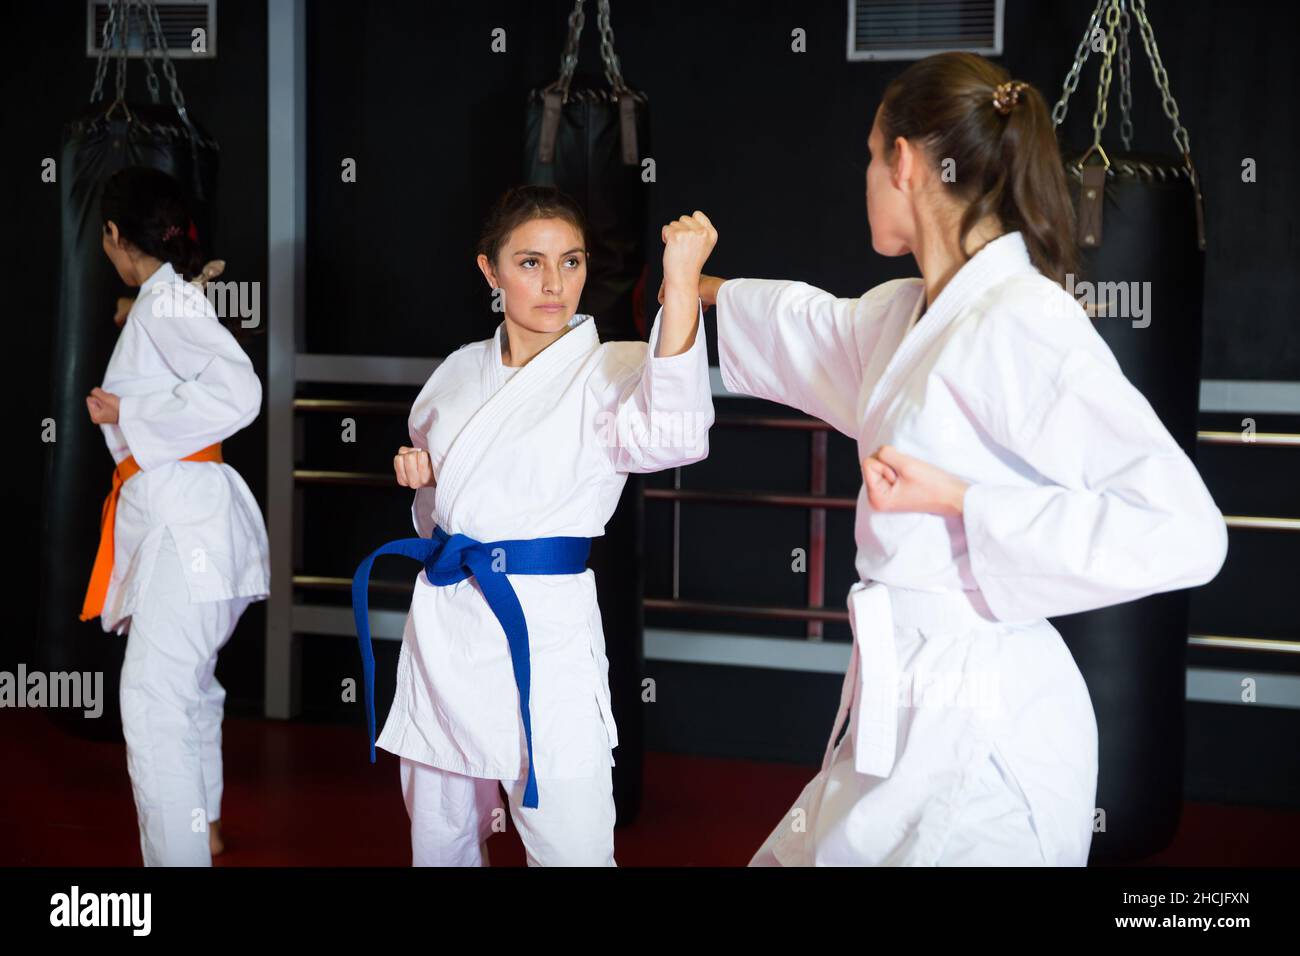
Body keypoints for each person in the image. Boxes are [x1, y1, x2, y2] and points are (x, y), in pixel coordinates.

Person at [700, 52, 1227, 865]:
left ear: (905, 162)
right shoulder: (906, 314)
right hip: (901, 711)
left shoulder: (1023, 321)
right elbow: (807, 325)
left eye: (870, 158)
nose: (866, 177)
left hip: (984, 728)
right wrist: (697, 291)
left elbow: (1187, 530)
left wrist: (962, 500)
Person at [352, 185, 716, 866]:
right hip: (448, 627)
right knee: (441, 840)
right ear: (490, 271)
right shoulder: (457, 373)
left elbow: (675, 435)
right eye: (530, 263)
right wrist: (426, 478)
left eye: (571, 262)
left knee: (572, 845)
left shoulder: (615, 367)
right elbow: (448, 513)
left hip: (544, 633)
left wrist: (682, 284)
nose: (555, 284)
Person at [83, 166, 269, 866]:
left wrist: (132, 410)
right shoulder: (162, 301)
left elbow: (240, 392)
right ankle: (207, 826)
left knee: (154, 700)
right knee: (186, 690)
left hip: (185, 528)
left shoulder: (164, 305)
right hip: (199, 527)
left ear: (111, 233)